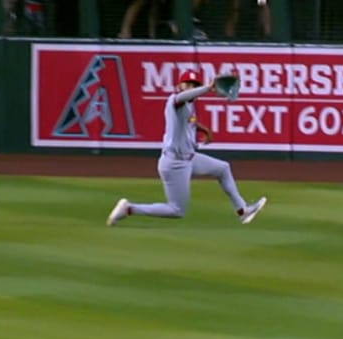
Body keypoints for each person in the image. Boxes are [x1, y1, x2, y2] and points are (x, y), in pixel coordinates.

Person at [106, 68, 268, 227]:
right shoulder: (174, 101)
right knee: (176, 210)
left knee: (223, 168)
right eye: (187, 84)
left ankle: (243, 211)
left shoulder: (190, 105)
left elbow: (187, 122)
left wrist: (202, 128)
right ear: (179, 86)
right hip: (175, 163)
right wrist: (206, 88)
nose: (190, 87)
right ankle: (129, 209)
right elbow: (181, 99)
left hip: (189, 158)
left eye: (194, 84)